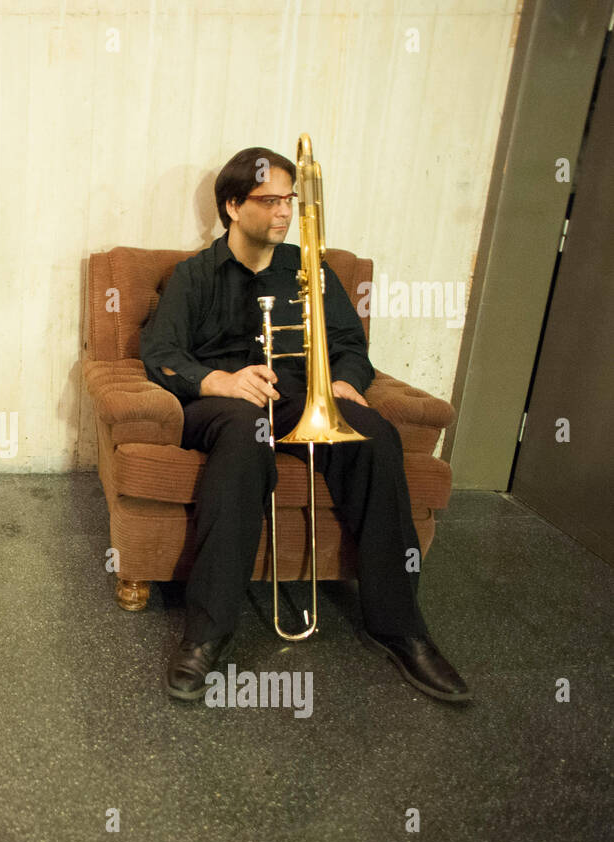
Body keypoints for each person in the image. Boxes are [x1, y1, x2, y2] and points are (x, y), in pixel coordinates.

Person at [140, 147, 470, 703]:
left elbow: (348, 345)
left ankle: (402, 628)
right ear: (233, 205)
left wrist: (343, 382)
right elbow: (161, 353)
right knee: (247, 438)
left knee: (375, 437)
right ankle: (207, 633)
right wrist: (218, 382)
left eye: (289, 200)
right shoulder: (193, 276)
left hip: (297, 392)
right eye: (269, 201)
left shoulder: (310, 269)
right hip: (225, 403)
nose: (284, 212)